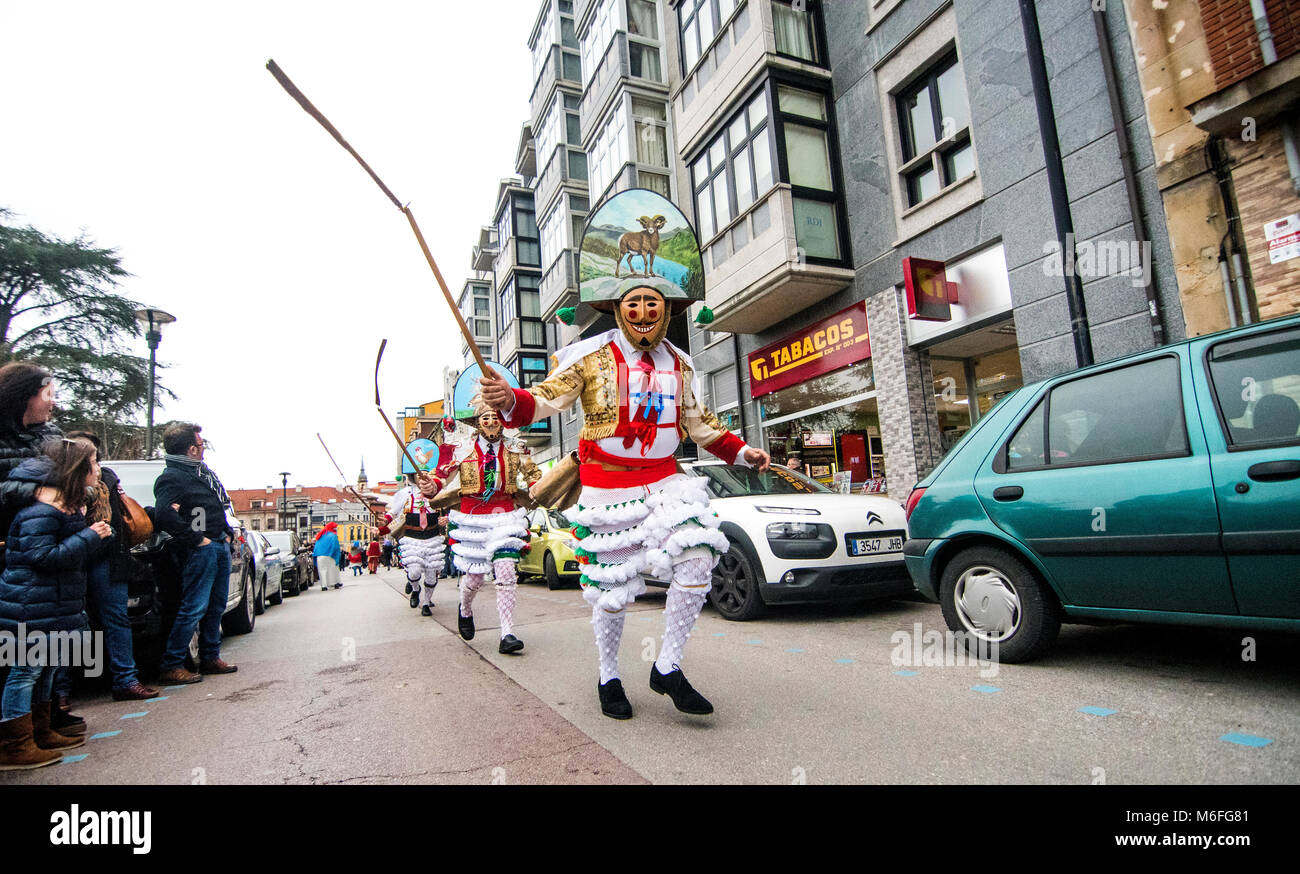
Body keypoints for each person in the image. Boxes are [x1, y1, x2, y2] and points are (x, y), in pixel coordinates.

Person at [481, 189, 769, 719]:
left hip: (665, 481)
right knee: (612, 592)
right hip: (608, 486)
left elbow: (697, 422)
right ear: (618, 309)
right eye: (632, 303)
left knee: (698, 555)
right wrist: (513, 400)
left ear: (665, 310)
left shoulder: (679, 364)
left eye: (652, 303)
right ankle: (609, 676)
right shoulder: (589, 358)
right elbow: (547, 398)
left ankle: (667, 667)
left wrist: (743, 452)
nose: (642, 312)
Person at [0, 437, 112, 769]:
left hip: (48, 605)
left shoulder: (63, 507)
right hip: (29, 606)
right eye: (92, 462)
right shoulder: (41, 512)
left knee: (46, 670)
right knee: (25, 671)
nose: (98, 468)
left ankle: (40, 731)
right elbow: (42, 556)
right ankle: (13, 746)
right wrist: (90, 536)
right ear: (77, 469)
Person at [61, 431, 158, 703]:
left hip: (104, 558)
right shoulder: (58, 485)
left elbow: (116, 522)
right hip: (74, 560)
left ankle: (124, 680)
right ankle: (60, 691)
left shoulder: (108, 480)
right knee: (71, 625)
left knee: (114, 620)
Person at [440, 398, 541, 654]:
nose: (491, 422)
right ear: (477, 423)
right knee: (474, 578)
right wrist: (432, 485)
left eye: (496, 417)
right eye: (486, 418)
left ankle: (507, 633)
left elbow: (534, 476)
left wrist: (544, 487)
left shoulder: (516, 447)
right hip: (473, 515)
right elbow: (440, 475)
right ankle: (465, 608)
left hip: (505, 513)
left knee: (506, 571)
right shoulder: (462, 448)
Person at [152, 423, 238, 684]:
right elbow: (164, 514)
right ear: (191, 449)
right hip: (200, 551)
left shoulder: (199, 474)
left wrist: (224, 532)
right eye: (201, 445)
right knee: (194, 607)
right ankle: (172, 664)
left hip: (216, 545)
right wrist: (197, 540)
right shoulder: (173, 477)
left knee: (216, 605)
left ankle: (211, 656)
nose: (203, 450)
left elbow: (211, 508)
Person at [378, 466, 449, 617]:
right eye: (419, 474)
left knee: (431, 574)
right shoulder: (405, 494)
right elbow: (393, 513)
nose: (423, 476)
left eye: (426, 473)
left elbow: (449, 509)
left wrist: (446, 518)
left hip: (432, 537)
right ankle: (415, 590)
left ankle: (426, 602)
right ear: (414, 477)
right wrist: (384, 520)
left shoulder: (439, 494)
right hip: (412, 538)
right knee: (414, 571)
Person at [313, 522, 342, 590]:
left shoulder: (320, 535)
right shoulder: (333, 535)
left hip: (319, 555)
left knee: (322, 571)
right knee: (332, 569)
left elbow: (316, 547)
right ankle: (334, 583)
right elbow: (335, 547)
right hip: (330, 555)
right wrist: (335, 556)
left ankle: (324, 586)